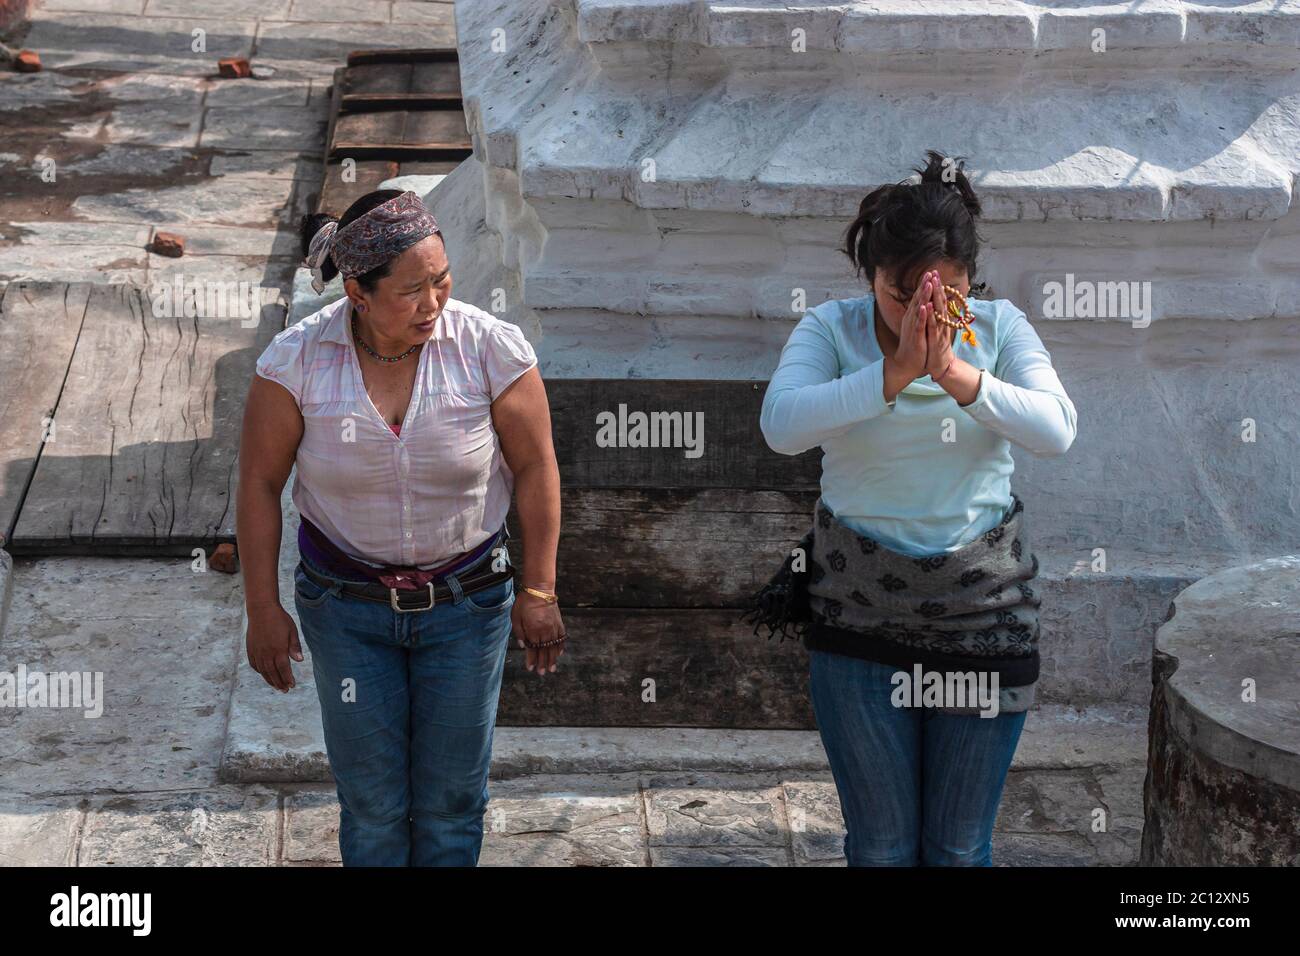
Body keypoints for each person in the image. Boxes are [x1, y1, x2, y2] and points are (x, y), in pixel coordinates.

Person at [756, 151, 1078, 866]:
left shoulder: (997, 330)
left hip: (985, 622)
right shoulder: (831, 331)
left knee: (959, 849)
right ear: (871, 275)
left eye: (950, 295)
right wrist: (892, 375)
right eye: (903, 296)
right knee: (881, 847)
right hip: (859, 625)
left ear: (970, 282)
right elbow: (781, 426)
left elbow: (1057, 429)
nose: (926, 314)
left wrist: (959, 376)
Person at [236, 189, 565, 866]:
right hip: (345, 610)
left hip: (467, 606)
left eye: (442, 281)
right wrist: (262, 608)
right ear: (356, 291)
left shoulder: (490, 350)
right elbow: (260, 486)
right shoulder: (293, 364)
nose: (433, 304)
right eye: (412, 290)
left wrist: (539, 590)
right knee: (374, 805)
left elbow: (535, 468)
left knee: (450, 804)